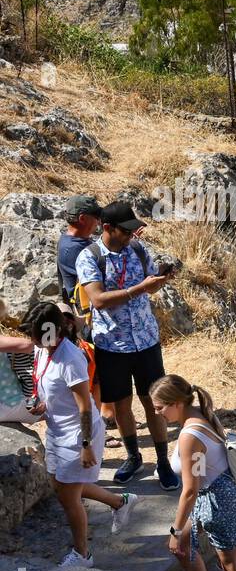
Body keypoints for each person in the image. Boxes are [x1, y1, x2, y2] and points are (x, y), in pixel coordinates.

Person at [0, 303, 137, 568]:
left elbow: (85, 406)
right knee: (61, 484)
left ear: (51, 331)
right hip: (56, 430)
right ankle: (121, 502)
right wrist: (41, 405)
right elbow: (51, 389)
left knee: (69, 497)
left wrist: (86, 446)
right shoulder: (43, 349)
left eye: (35, 335)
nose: (31, 340)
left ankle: (82, 554)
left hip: (77, 435)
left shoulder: (71, 359)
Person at [74, 201, 178, 488]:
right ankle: (133, 457)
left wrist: (161, 279)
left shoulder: (137, 249)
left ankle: (162, 461)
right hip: (112, 344)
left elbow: (150, 280)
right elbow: (97, 299)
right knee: (121, 404)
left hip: (146, 340)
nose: (132, 234)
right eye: (126, 230)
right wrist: (139, 290)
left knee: (154, 403)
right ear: (108, 228)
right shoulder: (89, 257)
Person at [150, 374, 236, 571]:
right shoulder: (201, 417)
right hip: (216, 495)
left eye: (159, 407)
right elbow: (200, 475)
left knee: (234, 566)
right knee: (181, 547)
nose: (156, 413)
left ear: (177, 404)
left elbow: (190, 490)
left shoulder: (189, 436)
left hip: (218, 501)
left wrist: (176, 530)